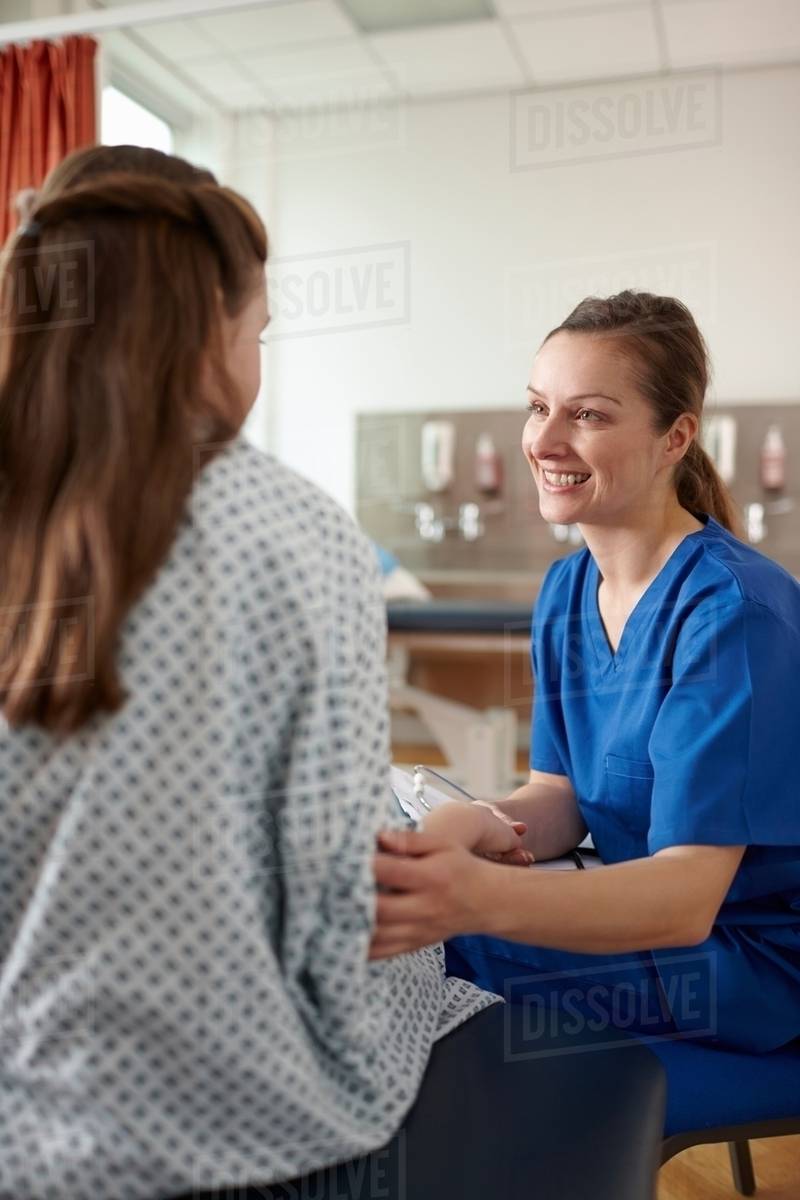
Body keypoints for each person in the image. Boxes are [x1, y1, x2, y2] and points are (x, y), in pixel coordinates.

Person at [0, 147, 529, 1200]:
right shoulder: (297, 537)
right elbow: (339, 915)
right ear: (205, 326)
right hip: (239, 1115)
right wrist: (455, 836)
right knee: (474, 983)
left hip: (24, 1115)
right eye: (258, 335)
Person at [371, 290, 800, 1055]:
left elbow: (685, 900)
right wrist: (478, 822)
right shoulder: (569, 591)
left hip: (740, 967)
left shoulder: (734, 615)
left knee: (419, 949)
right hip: (644, 930)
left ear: (676, 438)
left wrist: (476, 896)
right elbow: (561, 796)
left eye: (590, 415)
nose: (545, 439)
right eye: (539, 407)